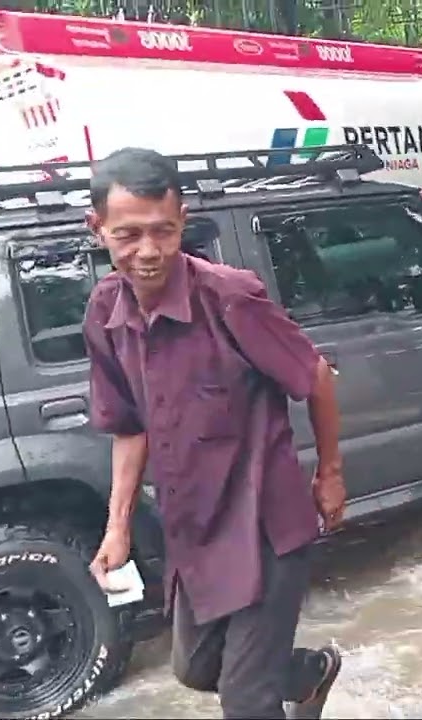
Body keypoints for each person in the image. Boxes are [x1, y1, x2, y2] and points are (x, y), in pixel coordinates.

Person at [81, 147, 348, 720]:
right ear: (97, 227)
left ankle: (279, 688)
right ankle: (311, 673)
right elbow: (128, 427)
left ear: (182, 223)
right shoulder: (105, 311)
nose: (148, 252)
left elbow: (315, 376)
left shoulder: (229, 297)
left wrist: (330, 473)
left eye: (164, 232)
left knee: (245, 700)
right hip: (196, 531)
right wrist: (117, 528)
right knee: (195, 669)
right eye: (128, 235)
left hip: (264, 525)